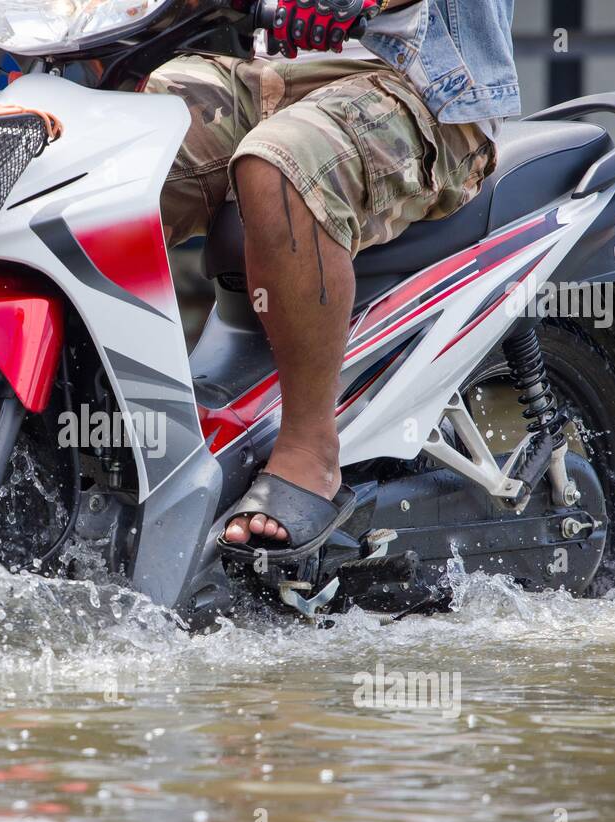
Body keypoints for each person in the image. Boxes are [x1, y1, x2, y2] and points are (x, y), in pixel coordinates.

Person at [146, 0, 519, 562]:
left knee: (279, 164)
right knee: (103, 149)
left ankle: (310, 447)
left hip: (419, 89)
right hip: (265, 75)